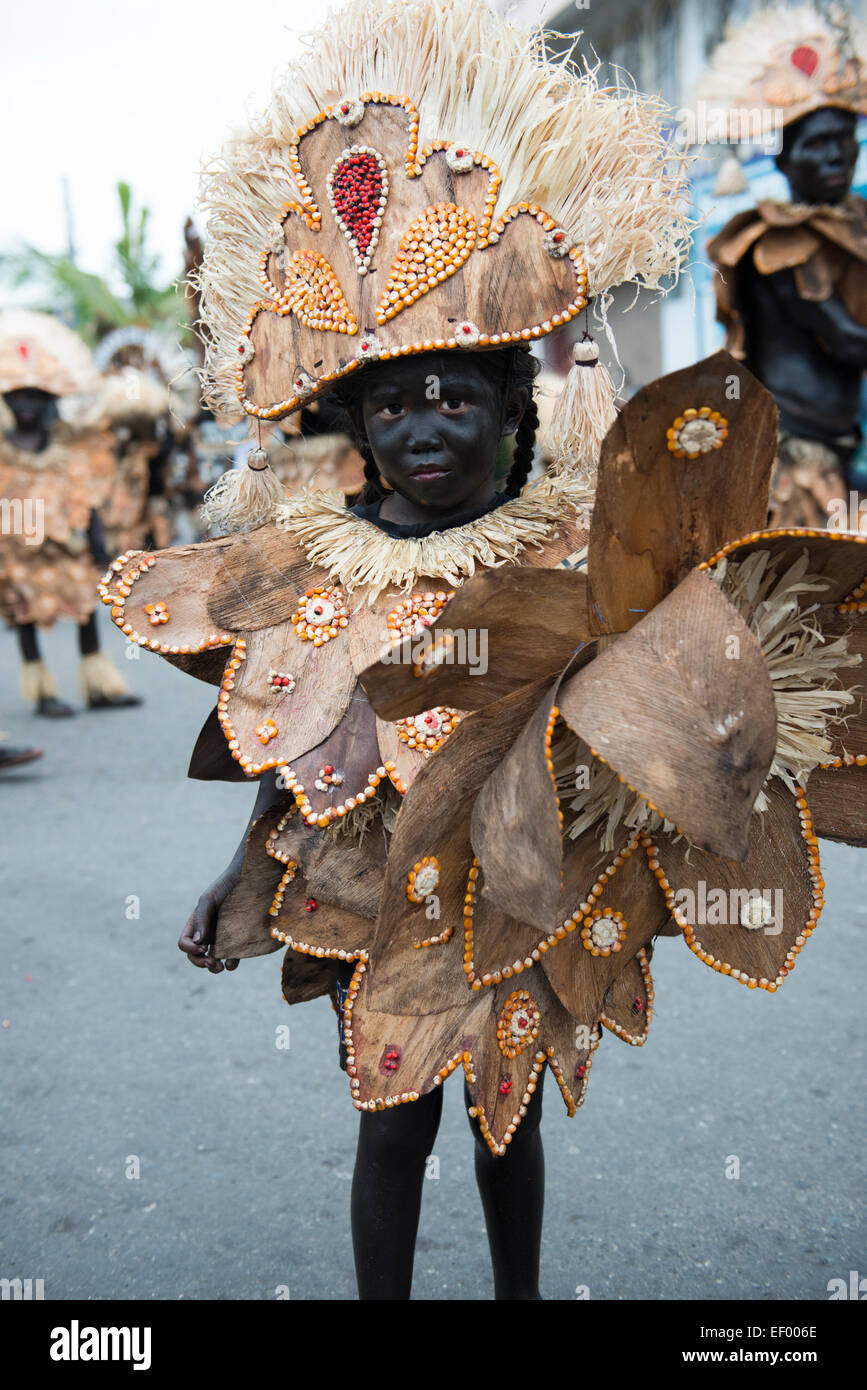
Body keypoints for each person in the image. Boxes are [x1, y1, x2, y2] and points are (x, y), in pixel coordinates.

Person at [97, 0, 864, 1301]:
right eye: (392, 403)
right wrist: (236, 878)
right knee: (388, 1119)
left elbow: (650, 696)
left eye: (458, 395)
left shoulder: (562, 546)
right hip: (363, 870)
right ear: (355, 427)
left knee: (505, 1116)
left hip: (521, 876)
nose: (425, 427)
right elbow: (292, 736)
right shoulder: (316, 563)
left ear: (515, 407)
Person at [702, 4, 867, 528]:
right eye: (818, 144)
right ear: (782, 160)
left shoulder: (849, 229)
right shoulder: (775, 244)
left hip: (839, 444)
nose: (837, 157)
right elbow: (846, 339)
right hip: (797, 454)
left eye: (845, 140)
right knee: (817, 596)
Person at [0, 311, 140, 715]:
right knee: (25, 611)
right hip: (16, 548)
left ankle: (99, 686)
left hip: (66, 543)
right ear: (6, 397)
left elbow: (87, 496)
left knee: (82, 606)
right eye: (19, 395)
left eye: (36, 396)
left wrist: (97, 540)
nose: (27, 404)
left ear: (50, 399)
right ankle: (42, 692)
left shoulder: (70, 448)